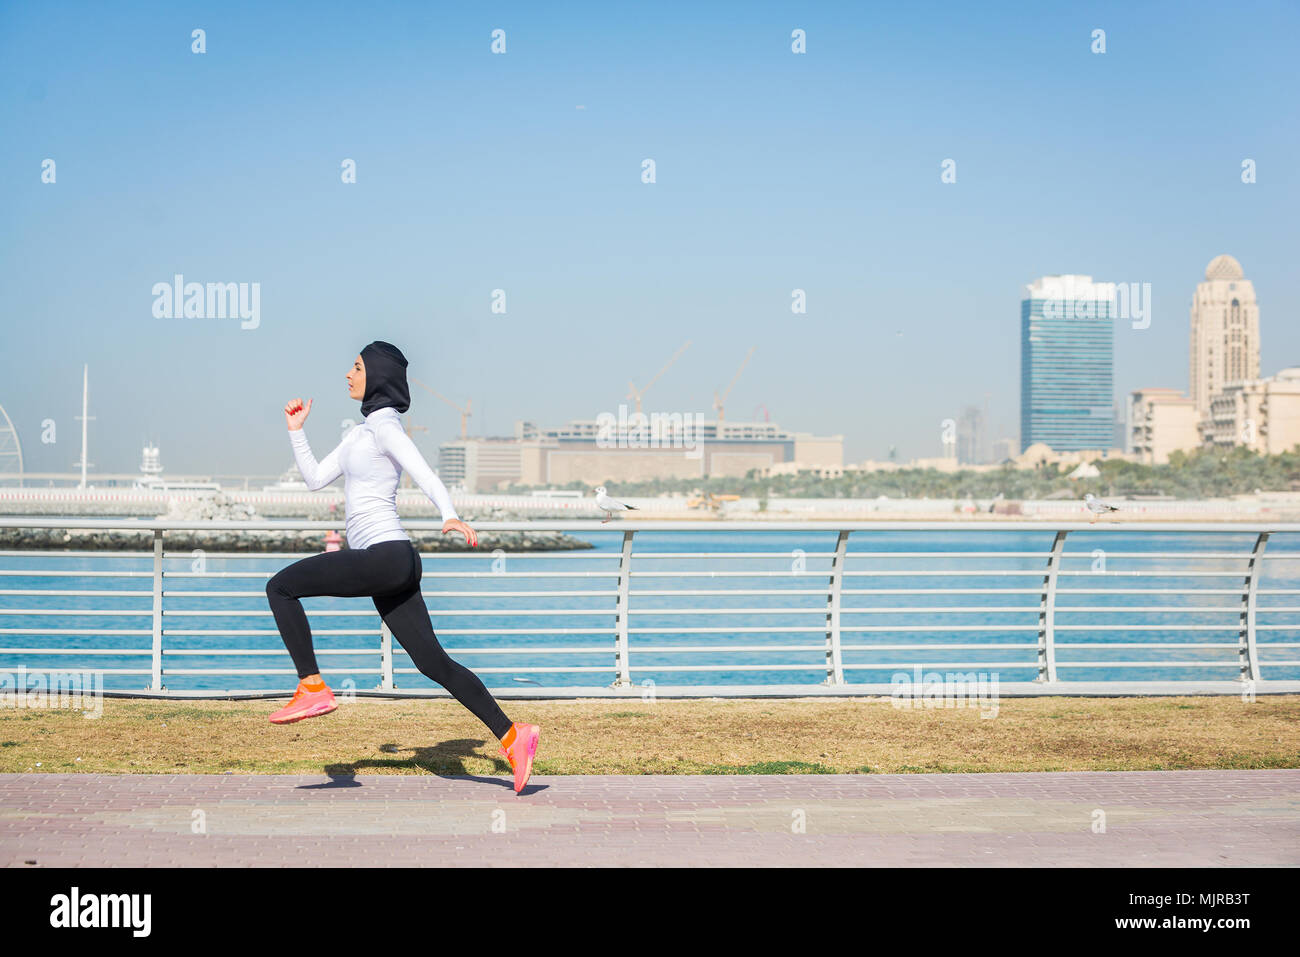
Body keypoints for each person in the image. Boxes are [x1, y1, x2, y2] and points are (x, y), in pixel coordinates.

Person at [264, 340, 539, 793]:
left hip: (386, 556)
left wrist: (447, 513)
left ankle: (311, 686)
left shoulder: (386, 427)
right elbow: (315, 479)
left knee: (280, 588)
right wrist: (296, 430)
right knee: (433, 662)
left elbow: (425, 472)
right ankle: (514, 736)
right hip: (395, 563)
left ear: (377, 374)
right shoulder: (360, 432)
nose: (347, 375)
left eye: (356, 367)